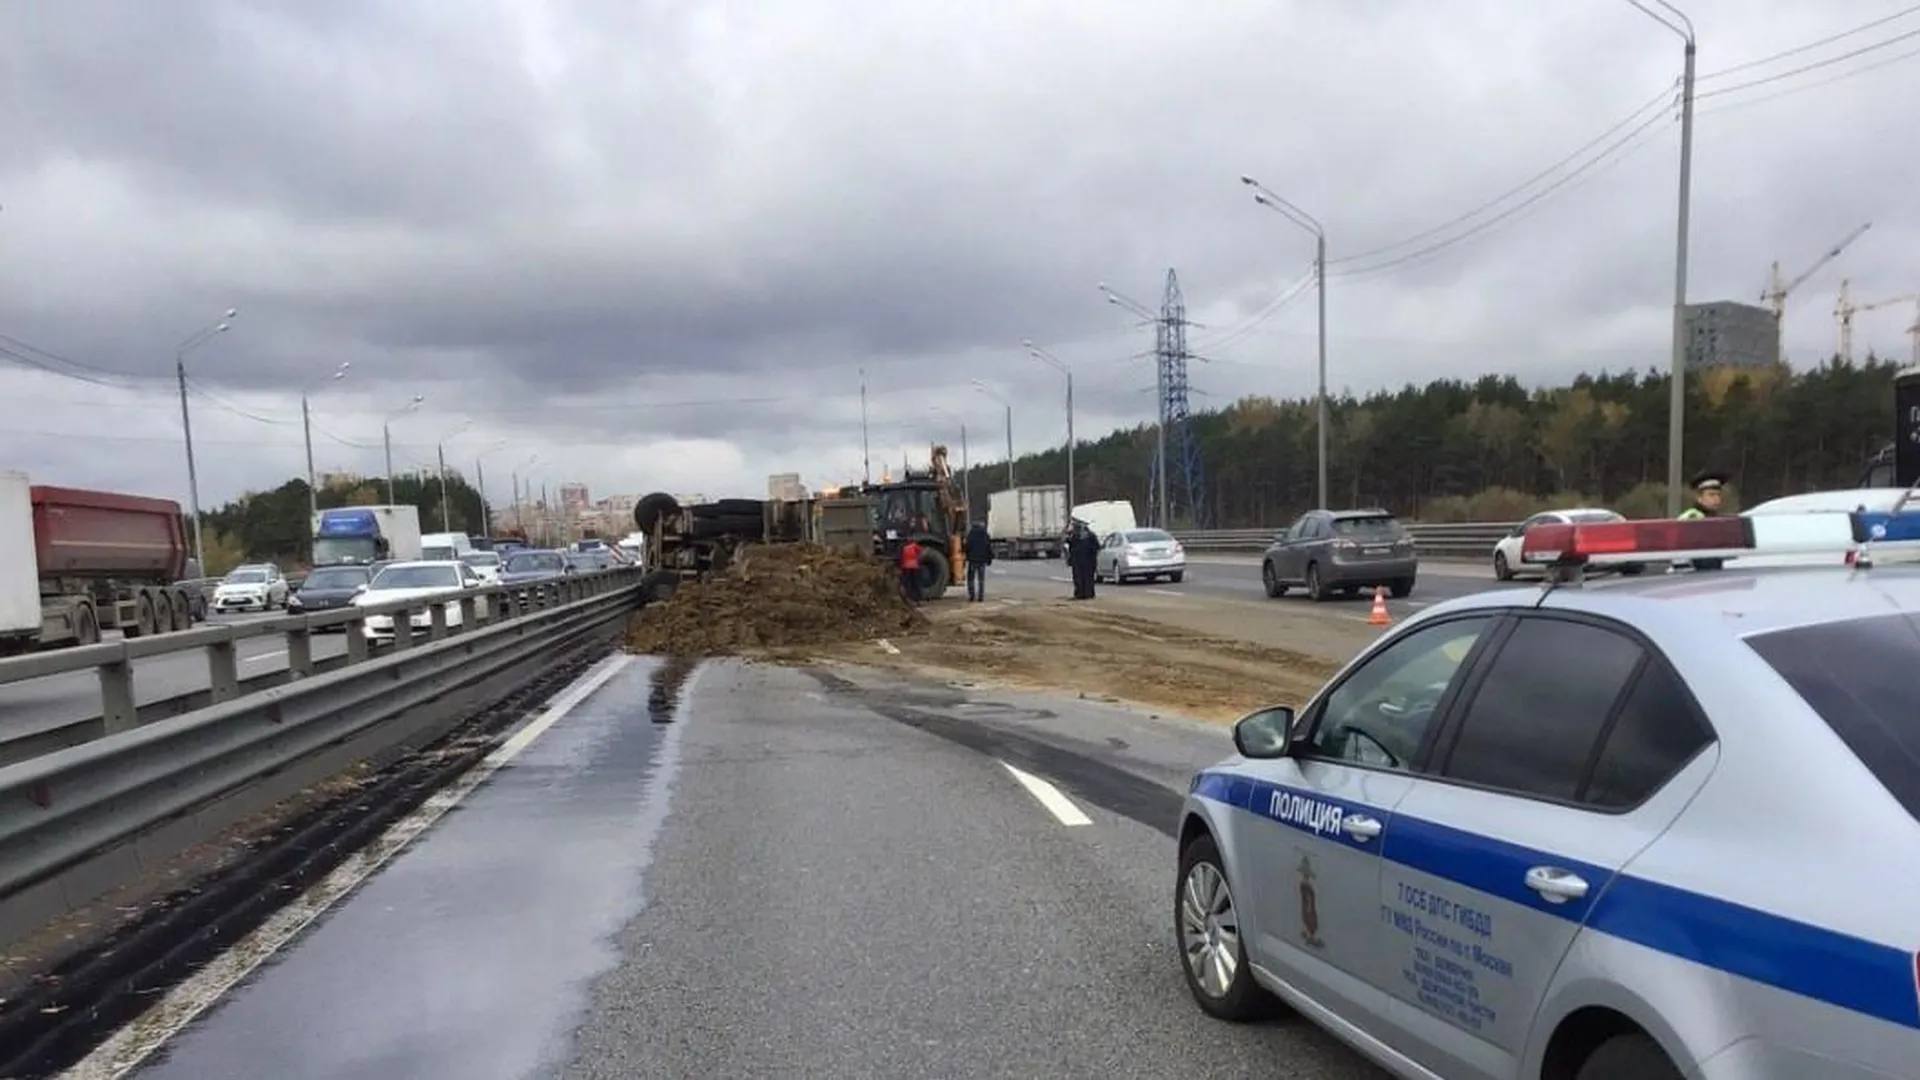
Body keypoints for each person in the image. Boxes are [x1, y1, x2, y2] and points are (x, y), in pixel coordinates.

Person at [1676, 470, 1728, 571]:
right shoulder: (1692, 518)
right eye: (1711, 495)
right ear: (1699, 498)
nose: (1717, 499)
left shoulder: (1714, 518)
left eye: (1718, 495)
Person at [963, 519, 994, 602]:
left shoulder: (971, 534)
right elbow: (989, 548)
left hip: (973, 560)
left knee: (971, 579)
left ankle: (972, 596)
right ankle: (980, 597)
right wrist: (989, 559)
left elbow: (967, 547)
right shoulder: (985, 534)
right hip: (982, 561)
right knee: (981, 580)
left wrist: (965, 553)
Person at [899, 537, 923, 602]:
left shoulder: (903, 547)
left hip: (906, 567)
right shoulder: (914, 546)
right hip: (915, 566)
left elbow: (901, 558)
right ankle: (918, 598)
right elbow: (921, 551)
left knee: (908, 583)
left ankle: (909, 597)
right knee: (916, 583)